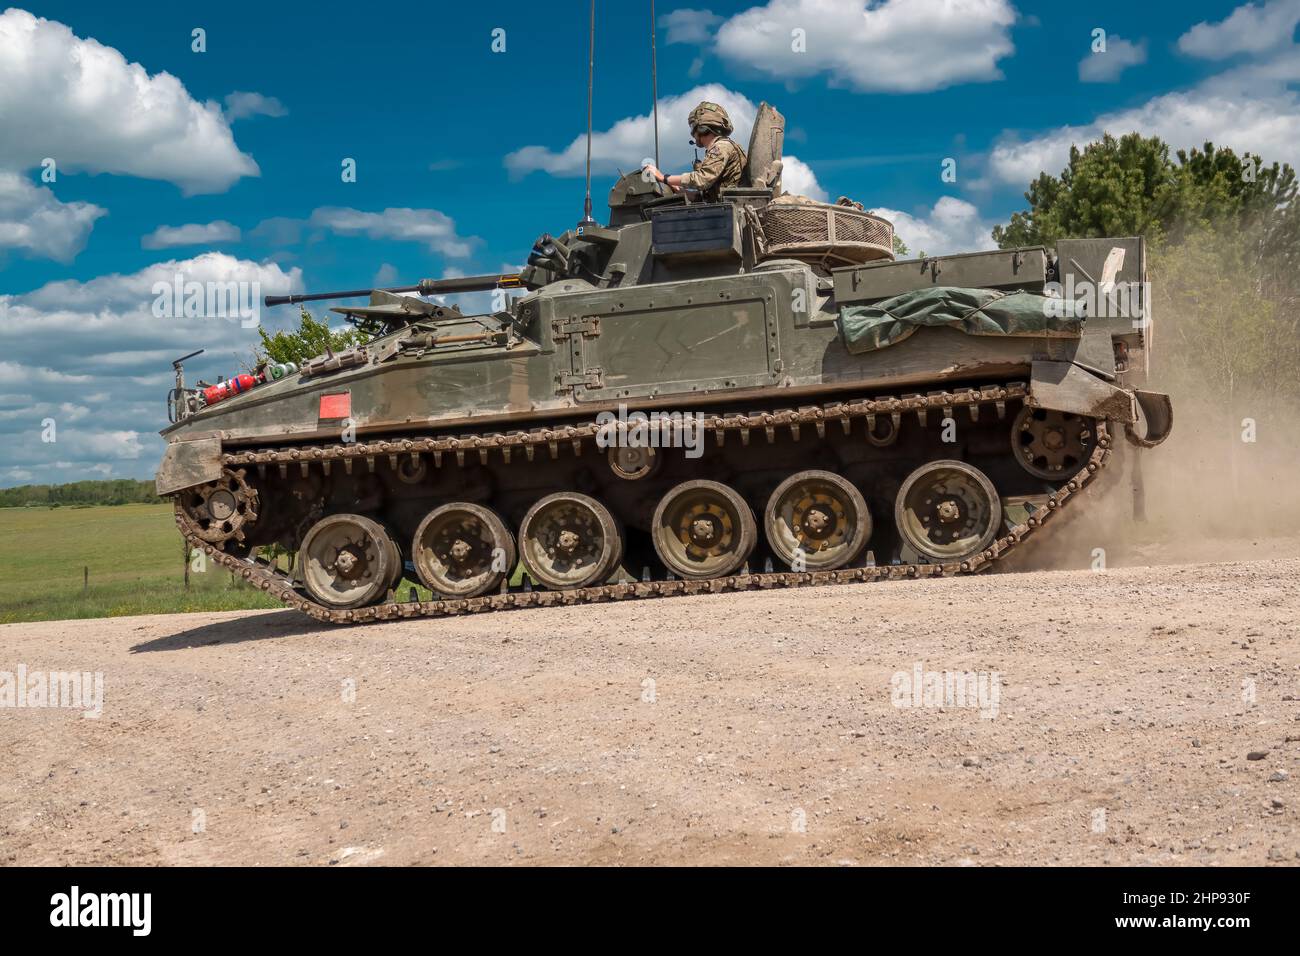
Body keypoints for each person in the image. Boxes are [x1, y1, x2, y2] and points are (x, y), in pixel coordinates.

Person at [642, 101, 747, 202]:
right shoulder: (723, 146)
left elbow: (702, 179)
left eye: (693, 126)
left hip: (728, 211)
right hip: (724, 210)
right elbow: (702, 198)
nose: (693, 132)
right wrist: (677, 188)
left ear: (702, 128)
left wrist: (664, 178)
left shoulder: (721, 146)